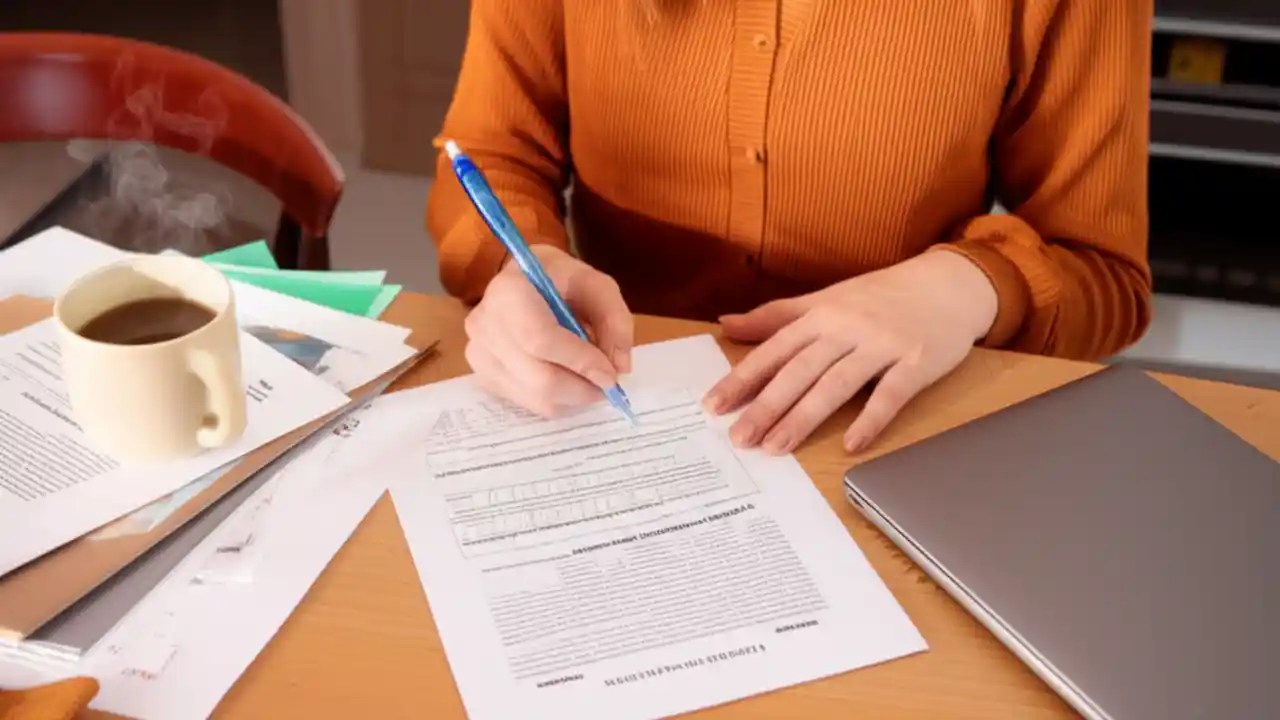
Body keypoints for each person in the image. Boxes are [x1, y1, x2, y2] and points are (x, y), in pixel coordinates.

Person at [427, 1, 1152, 454]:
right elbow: (492, 154)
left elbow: (1102, 272)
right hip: (621, 397)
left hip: (888, 431)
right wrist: (518, 263)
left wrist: (966, 288)